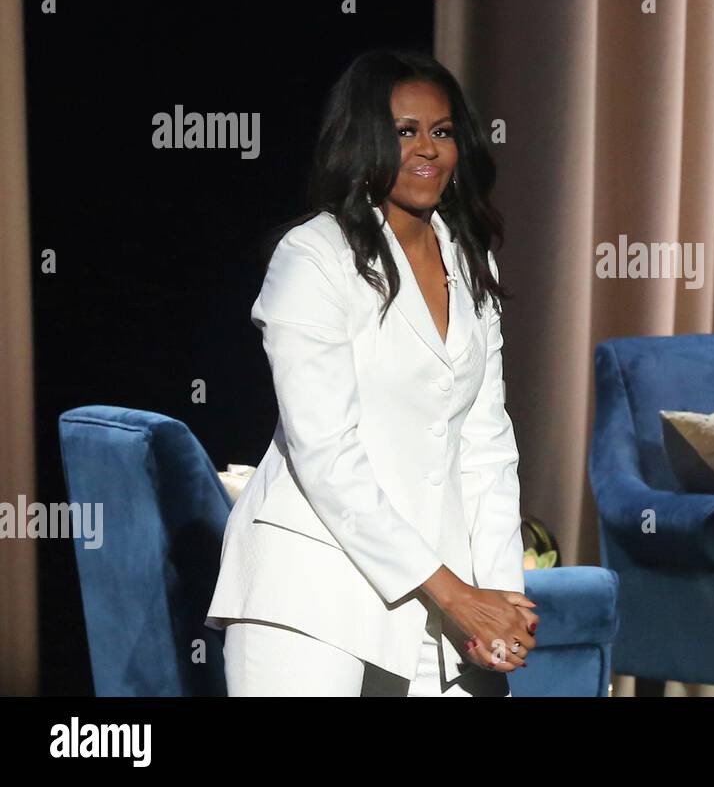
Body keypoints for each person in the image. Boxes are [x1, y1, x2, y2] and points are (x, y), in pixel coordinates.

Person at [206, 50, 538, 696]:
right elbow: (326, 454)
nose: (427, 150)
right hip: (309, 598)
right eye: (404, 130)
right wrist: (459, 595)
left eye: (441, 132)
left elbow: (487, 444)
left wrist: (499, 593)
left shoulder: (473, 265)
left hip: (440, 610)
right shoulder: (313, 258)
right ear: (365, 140)